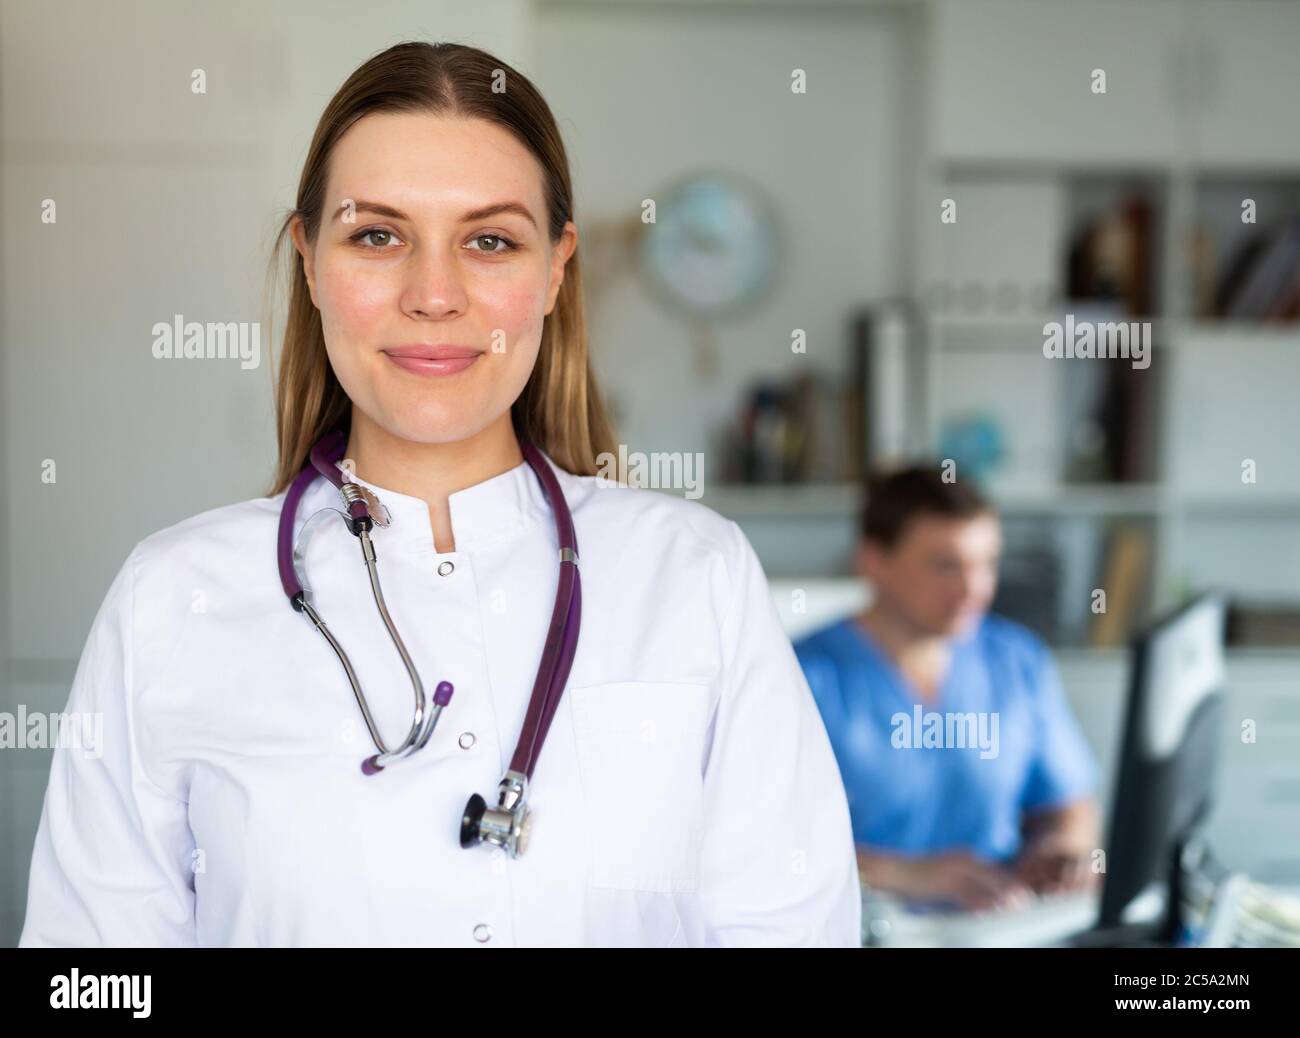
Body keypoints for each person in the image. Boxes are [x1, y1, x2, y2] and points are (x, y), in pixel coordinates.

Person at [19, 41, 858, 948]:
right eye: (377, 235)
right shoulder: (172, 598)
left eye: (490, 240)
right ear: (308, 259)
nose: (433, 294)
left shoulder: (696, 576)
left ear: (554, 270)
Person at [794, 465, 1099, 913]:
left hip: (1003, 928)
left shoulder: (1017, 660)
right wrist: (904, 874)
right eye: (946, 566)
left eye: (987, 564)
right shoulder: (804, 678)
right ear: (875, 561)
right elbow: (767, 848)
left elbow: (1070, 803)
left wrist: (1061, 851)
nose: (974, 589)